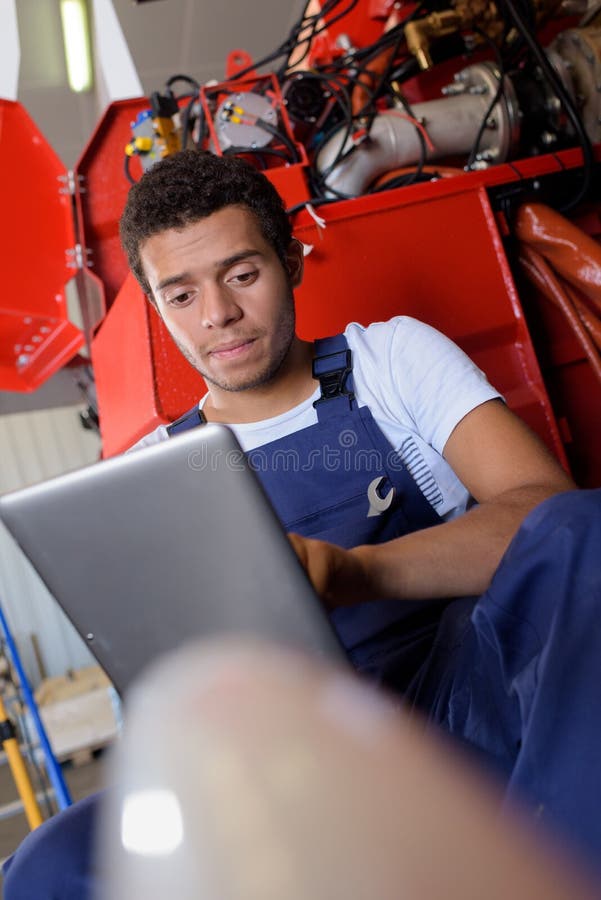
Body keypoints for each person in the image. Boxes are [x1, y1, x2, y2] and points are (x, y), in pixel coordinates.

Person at [3, 149, 599, 899]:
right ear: (157, 307)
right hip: (287, 764)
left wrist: (358, 573)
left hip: (456, 702)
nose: (216, 314)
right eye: (180, 295)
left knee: (582, 531)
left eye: (241, 275)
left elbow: (544, 514)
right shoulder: (152, 471)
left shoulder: (390, 360)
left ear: (291, 261)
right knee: (47, 862)